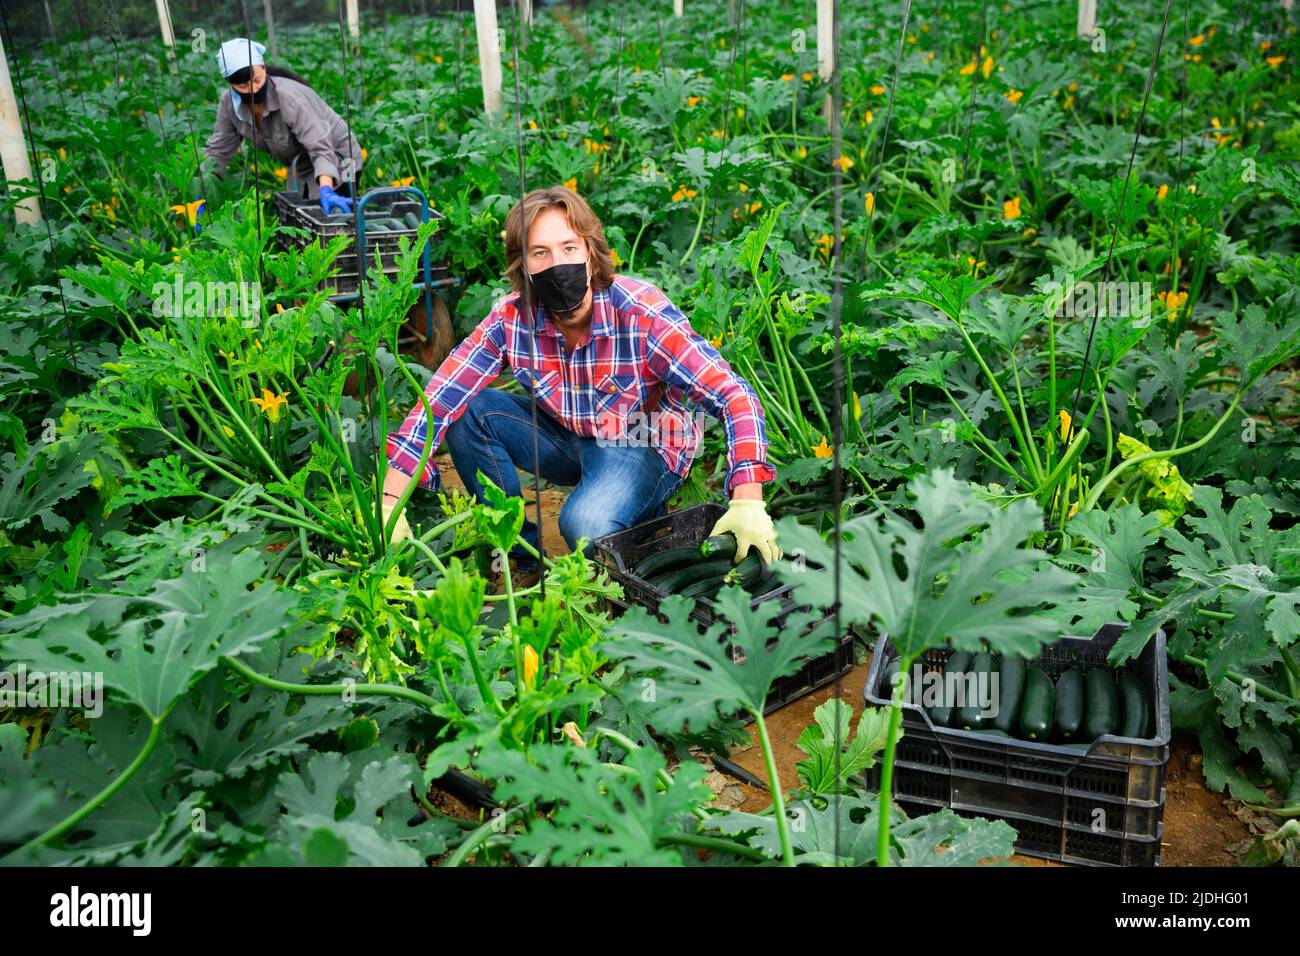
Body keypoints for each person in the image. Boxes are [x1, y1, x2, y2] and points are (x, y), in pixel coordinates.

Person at [380, 185, 782, 580]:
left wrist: (748, 497)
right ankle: (519, 552)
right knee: (468, 412)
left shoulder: (642, 315)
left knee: (584, 525)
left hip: (642, 442)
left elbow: (734, 395)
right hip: (570, 435)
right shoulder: (511, 319)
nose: (558, 264)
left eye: (569, 248)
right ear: (524, 267)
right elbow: (441, 397)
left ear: (590, 254)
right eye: (541, 253)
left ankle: (645, 520)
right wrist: (391, 499)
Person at [200, 38, 361, 216]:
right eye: (242, 85)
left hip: (340, 157)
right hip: (300, 165)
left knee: (337, 220)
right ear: (229, 82)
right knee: (301, 218)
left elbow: (321, 147)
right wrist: (203, 193)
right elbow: (218, 151)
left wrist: (327, 189)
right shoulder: (229, 104)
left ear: (263, 67)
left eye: (256, 80)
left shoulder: (290, 97)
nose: (252, 89)